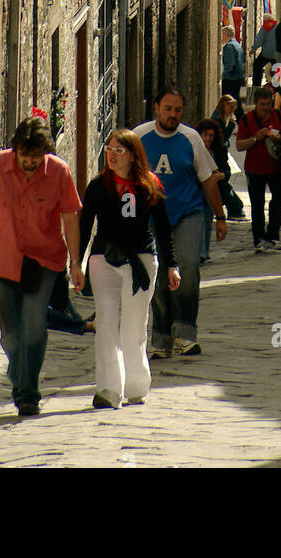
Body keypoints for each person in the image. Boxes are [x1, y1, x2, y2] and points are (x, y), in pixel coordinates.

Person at [0, 117, 83, 418]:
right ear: (15, 148)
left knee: (33, 326)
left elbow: (70, 217)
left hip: (44, 260)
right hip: (2, 260)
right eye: (25, 155)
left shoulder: (58, 172)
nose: (30, 162)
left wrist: (75, 262)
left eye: (36, 157)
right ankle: (21, 378)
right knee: (10, 335)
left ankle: (27, 393)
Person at [79, 130, 178, 409]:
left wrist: (172, 265)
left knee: (134, 326)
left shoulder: (150, 185)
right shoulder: (98, 186)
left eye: (119, 150)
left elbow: (163, 228)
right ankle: (109, 389)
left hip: (141, 260)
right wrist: (77, 263)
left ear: (133, 155)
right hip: (104, 258)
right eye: (109, 148)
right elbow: (85, 225)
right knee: (106, 323)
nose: (112, 154)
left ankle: (135, 384)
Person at [135, 87, 227, 358]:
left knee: (186, 267)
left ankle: (185, 333)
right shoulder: (140, 137)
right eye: (168, 109)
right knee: (159, 275)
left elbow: (207, 179)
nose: (173, 115)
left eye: (177, 110)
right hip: (152, 218)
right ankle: (161, 338)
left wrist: (220, 216)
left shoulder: (191, 138)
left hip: (188, 213)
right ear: (156, 108)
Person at [236, 88, 281, 252]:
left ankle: (273, 236)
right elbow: (239, 145)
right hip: (254, 170)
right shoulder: (247, 120)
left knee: (278, 202)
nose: (266, 107)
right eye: (262, 104)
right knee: (257, 206)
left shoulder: (280, 117)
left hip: (277, 168)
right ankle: (259, 239)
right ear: (256, 104)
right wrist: (256, 138)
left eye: (268, 104)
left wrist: (280, 138)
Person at [195, 120, 228, 260]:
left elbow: (226, 169)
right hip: (196, 190)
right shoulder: (193, 149)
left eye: (211, 135)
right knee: (197, 221)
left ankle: (204, 252)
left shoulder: (219, 150)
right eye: (205, 135)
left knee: (207, 220)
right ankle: (199, 251)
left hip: (212, 190)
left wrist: (222, 175)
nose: (208, 138)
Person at [221, 25, 245, 113]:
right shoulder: (237, 45)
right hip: (238, 77)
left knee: (228, 100)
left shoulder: (229, 47)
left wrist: (223, 76)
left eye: (222, 34)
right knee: (236, 99)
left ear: (226, 35)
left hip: (231, 78)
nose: (221, 37)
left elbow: (230, 65)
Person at [251, 14, 279, 90]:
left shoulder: (265, 28)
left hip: (266, 53)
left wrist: (253, 49)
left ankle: (256, 86)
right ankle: (279, 88)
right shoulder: (278, 27)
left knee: (257, 65)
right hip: (277, 54)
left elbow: (259, 40)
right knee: (278, 70)